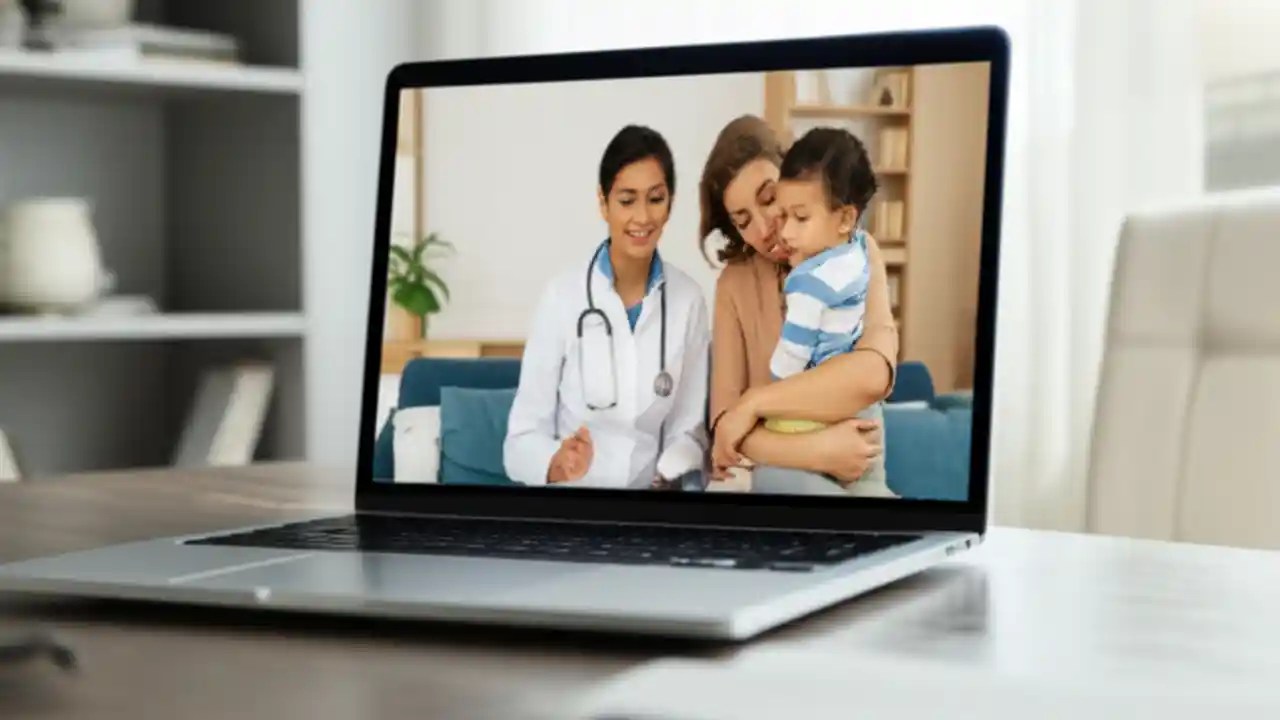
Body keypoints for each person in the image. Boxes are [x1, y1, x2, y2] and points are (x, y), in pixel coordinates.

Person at [698, 115, 897, 497]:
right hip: (783, 481)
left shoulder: (855, 251)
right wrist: (817, 452)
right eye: (743, 221)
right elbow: (726, 425)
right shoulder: (733, 286)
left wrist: (755, 402)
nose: (764, 228)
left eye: (769, 199)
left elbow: (874, 373)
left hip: (861, 472)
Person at [504, 125, 710, 489]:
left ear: (671, 202)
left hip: (649, 513)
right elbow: (519, 444)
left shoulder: (688, 301)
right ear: (603, 202)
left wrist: (675, 468)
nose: (642, 217)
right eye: (627, 200)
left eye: (656, 198)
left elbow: (689, 431)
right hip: (575, 509)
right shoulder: (562, 297)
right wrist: (557, 463)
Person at [764, 127, 880, 438]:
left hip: (818, 412)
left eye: (801, 218)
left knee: (765, 433)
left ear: (844, 218)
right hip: (858, 405)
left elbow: (792, 357)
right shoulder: (858, 249)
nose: (786, 232)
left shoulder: (808, 283)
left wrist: (769, 396)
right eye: (783, 215)